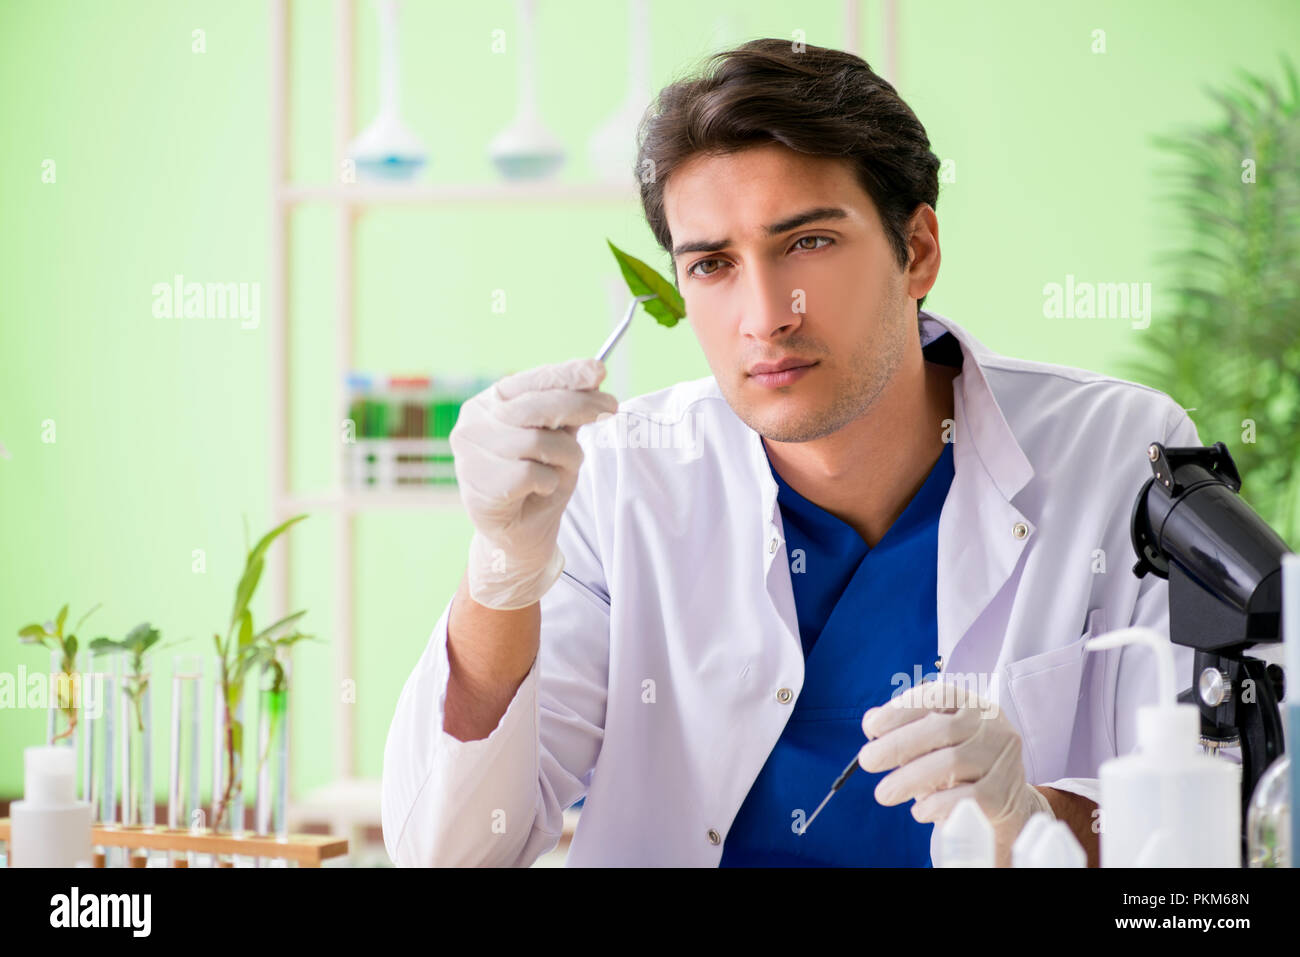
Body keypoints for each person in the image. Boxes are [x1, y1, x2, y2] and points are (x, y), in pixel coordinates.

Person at [381, 38, 1204, 867]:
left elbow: (1212, 846)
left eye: (807, 242)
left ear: (916, 250)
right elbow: (447, 852)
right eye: (711, 264)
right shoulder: (621, 484)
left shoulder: (1123, 458)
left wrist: (1030, 817)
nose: (765, 315)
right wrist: (501, 568)